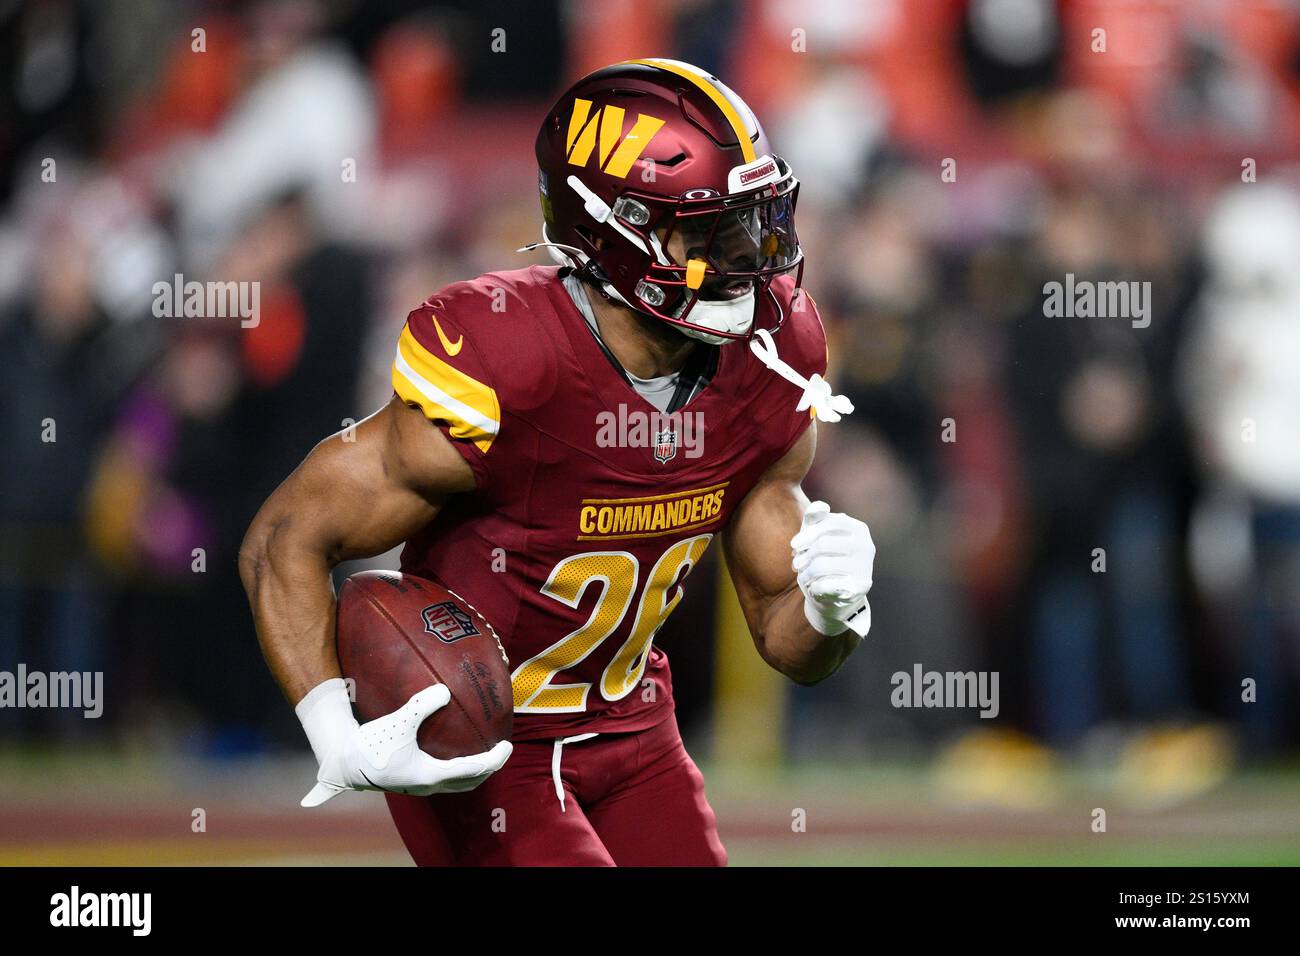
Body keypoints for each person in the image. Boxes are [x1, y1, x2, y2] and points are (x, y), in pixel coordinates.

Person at [239, 58, 876, 866]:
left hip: (638, 733)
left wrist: (830, 611)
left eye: (753, 221)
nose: (749, 257)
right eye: (709, 230)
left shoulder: (771, 354)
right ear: (611, 229)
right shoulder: (514, 360)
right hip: (487, 746)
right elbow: (284, 537)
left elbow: (789, 645)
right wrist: (333, 731)